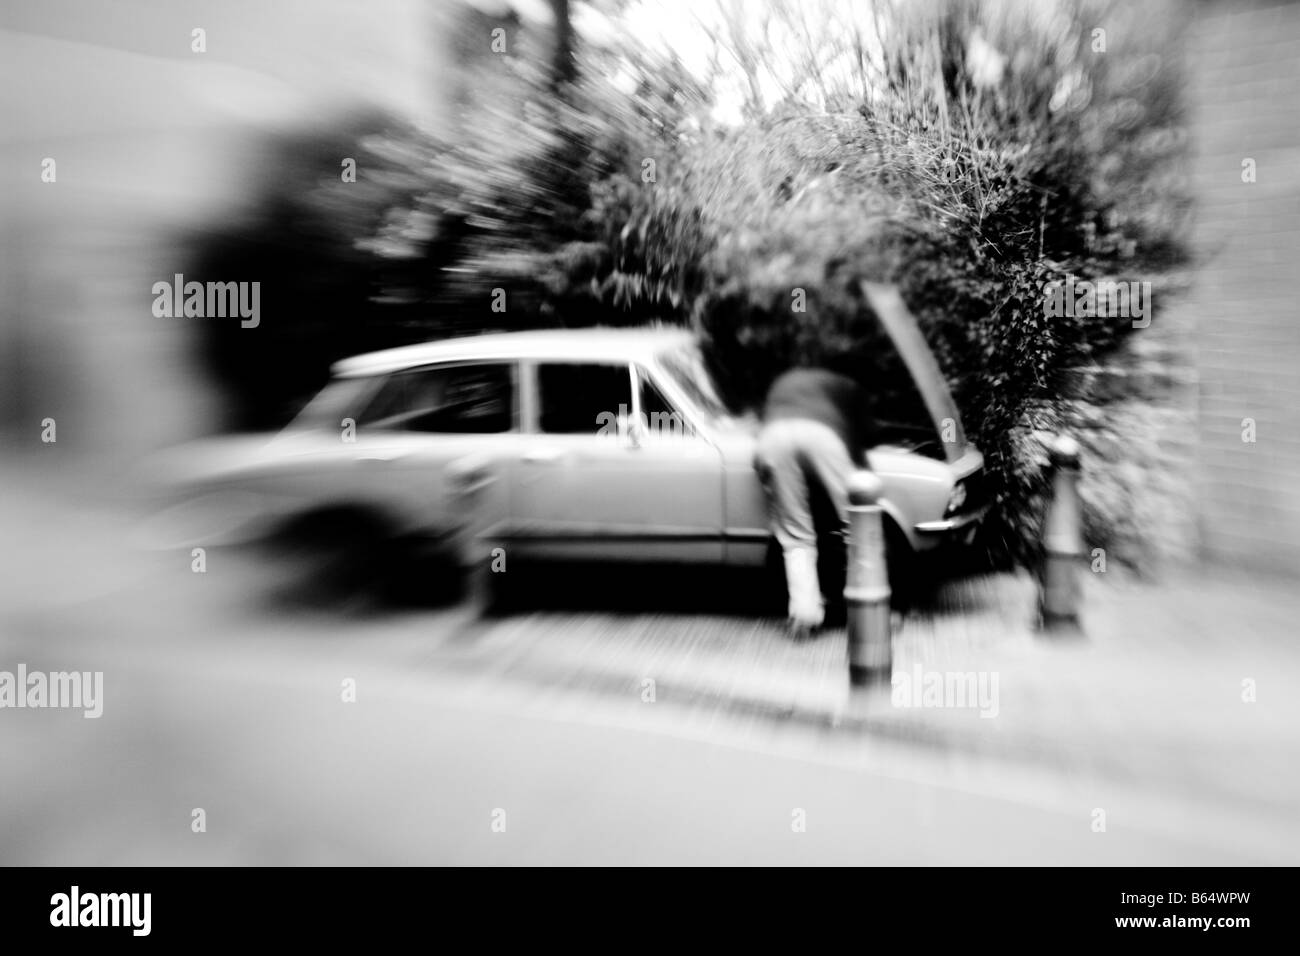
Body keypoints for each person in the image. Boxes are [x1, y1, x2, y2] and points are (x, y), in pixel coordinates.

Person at [754, 365, 878, 633]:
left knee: (796, 536)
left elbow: (762, 431)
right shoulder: (850, 387)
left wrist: (768, 480)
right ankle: (871, 608)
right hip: (822, 436)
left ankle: (805, 615)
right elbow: (861, 438)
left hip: (773, 438)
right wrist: (862, 476)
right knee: (857, 522)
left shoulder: (784, 380)